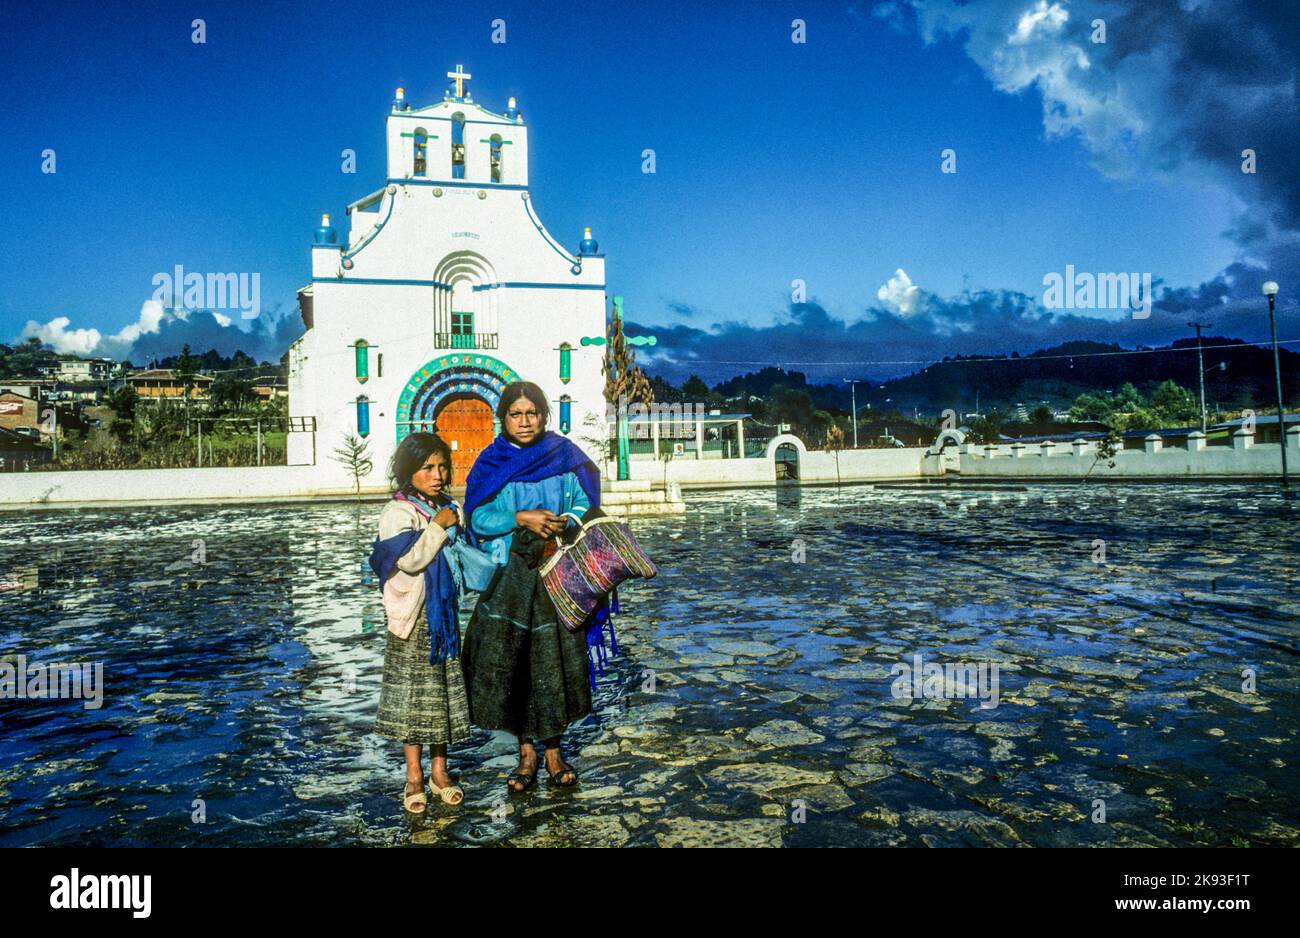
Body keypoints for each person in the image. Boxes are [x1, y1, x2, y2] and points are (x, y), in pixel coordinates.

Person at [460, 381, 602, 792]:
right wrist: (520, 518)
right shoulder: (492, 461)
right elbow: (479, 518)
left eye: (532, 413)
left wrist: (565, 523)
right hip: (512, 578)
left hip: (558, 573)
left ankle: (555, 752)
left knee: (555, 661)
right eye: (515, 414)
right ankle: (526, 755)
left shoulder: (562, 454)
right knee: (518, 663)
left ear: (544, 415)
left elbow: (584, 500)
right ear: (503, 418)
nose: (524, 421)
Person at [369, 432, 471, 814]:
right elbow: (409, 561)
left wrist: (447, 522)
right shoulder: (397, 512)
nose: (437, 474)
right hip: (412, 619)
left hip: (442, 617)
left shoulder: (446, 505)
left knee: (440, 695)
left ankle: (439, 772)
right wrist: (439, 527)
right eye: (427, 467)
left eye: (442, 466)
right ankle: (414, 774)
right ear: (408, 471)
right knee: (413, 700)